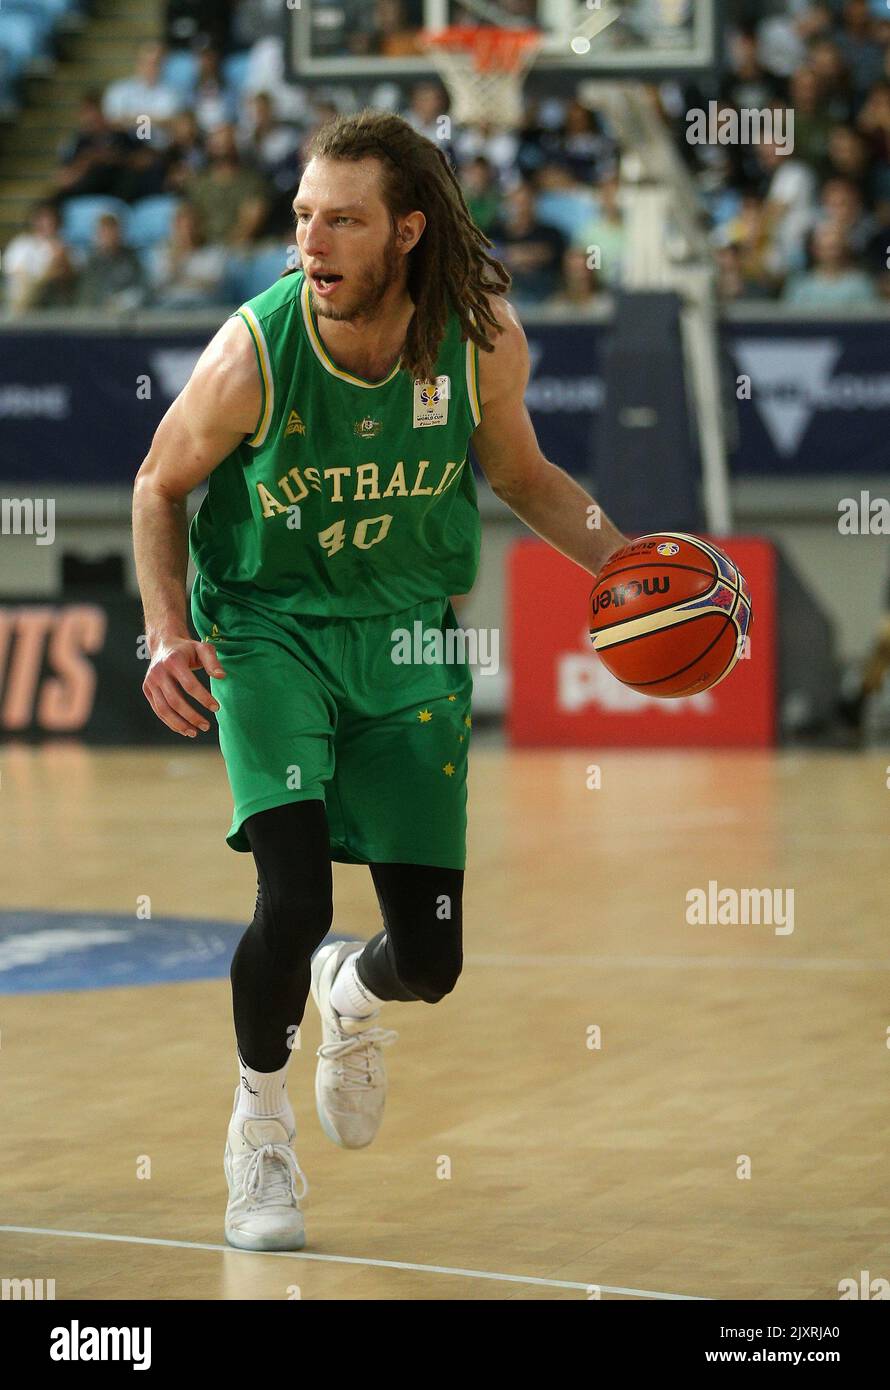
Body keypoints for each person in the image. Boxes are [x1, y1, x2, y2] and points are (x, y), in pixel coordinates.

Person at [132, 110, 627, 1252]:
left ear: (405, 230)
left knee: (435, 958)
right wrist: (166, 632)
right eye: (304, 216)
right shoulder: (255, 352)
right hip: (269, 632)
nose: (312, 239)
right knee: (291, 894)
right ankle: (257, 1130)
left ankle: (347, 992)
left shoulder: (475, 337)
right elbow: (159, 484)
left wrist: (642, 565)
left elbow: (526, 478)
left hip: (410, 640)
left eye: (342, 219)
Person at [3, 201, 76, 313]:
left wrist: (60, 258)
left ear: (57, 222)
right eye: (41, 219)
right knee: (22, 284)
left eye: (50, 220)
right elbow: (14, 273)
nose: (46, 223)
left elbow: (69, 275)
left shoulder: (65, 246)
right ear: (34, 221)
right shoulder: (21, 243)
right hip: (24, 297)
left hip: (54, 299)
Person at [77, 212, 146, 310]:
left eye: (112, 230)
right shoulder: (90, 262)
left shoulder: (132, 258)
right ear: (97, 234)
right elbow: (86, 296)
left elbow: (143, 289)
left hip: (128, 315)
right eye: (104, 232)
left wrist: (122, 301)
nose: (109, 236)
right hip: (95, 317)